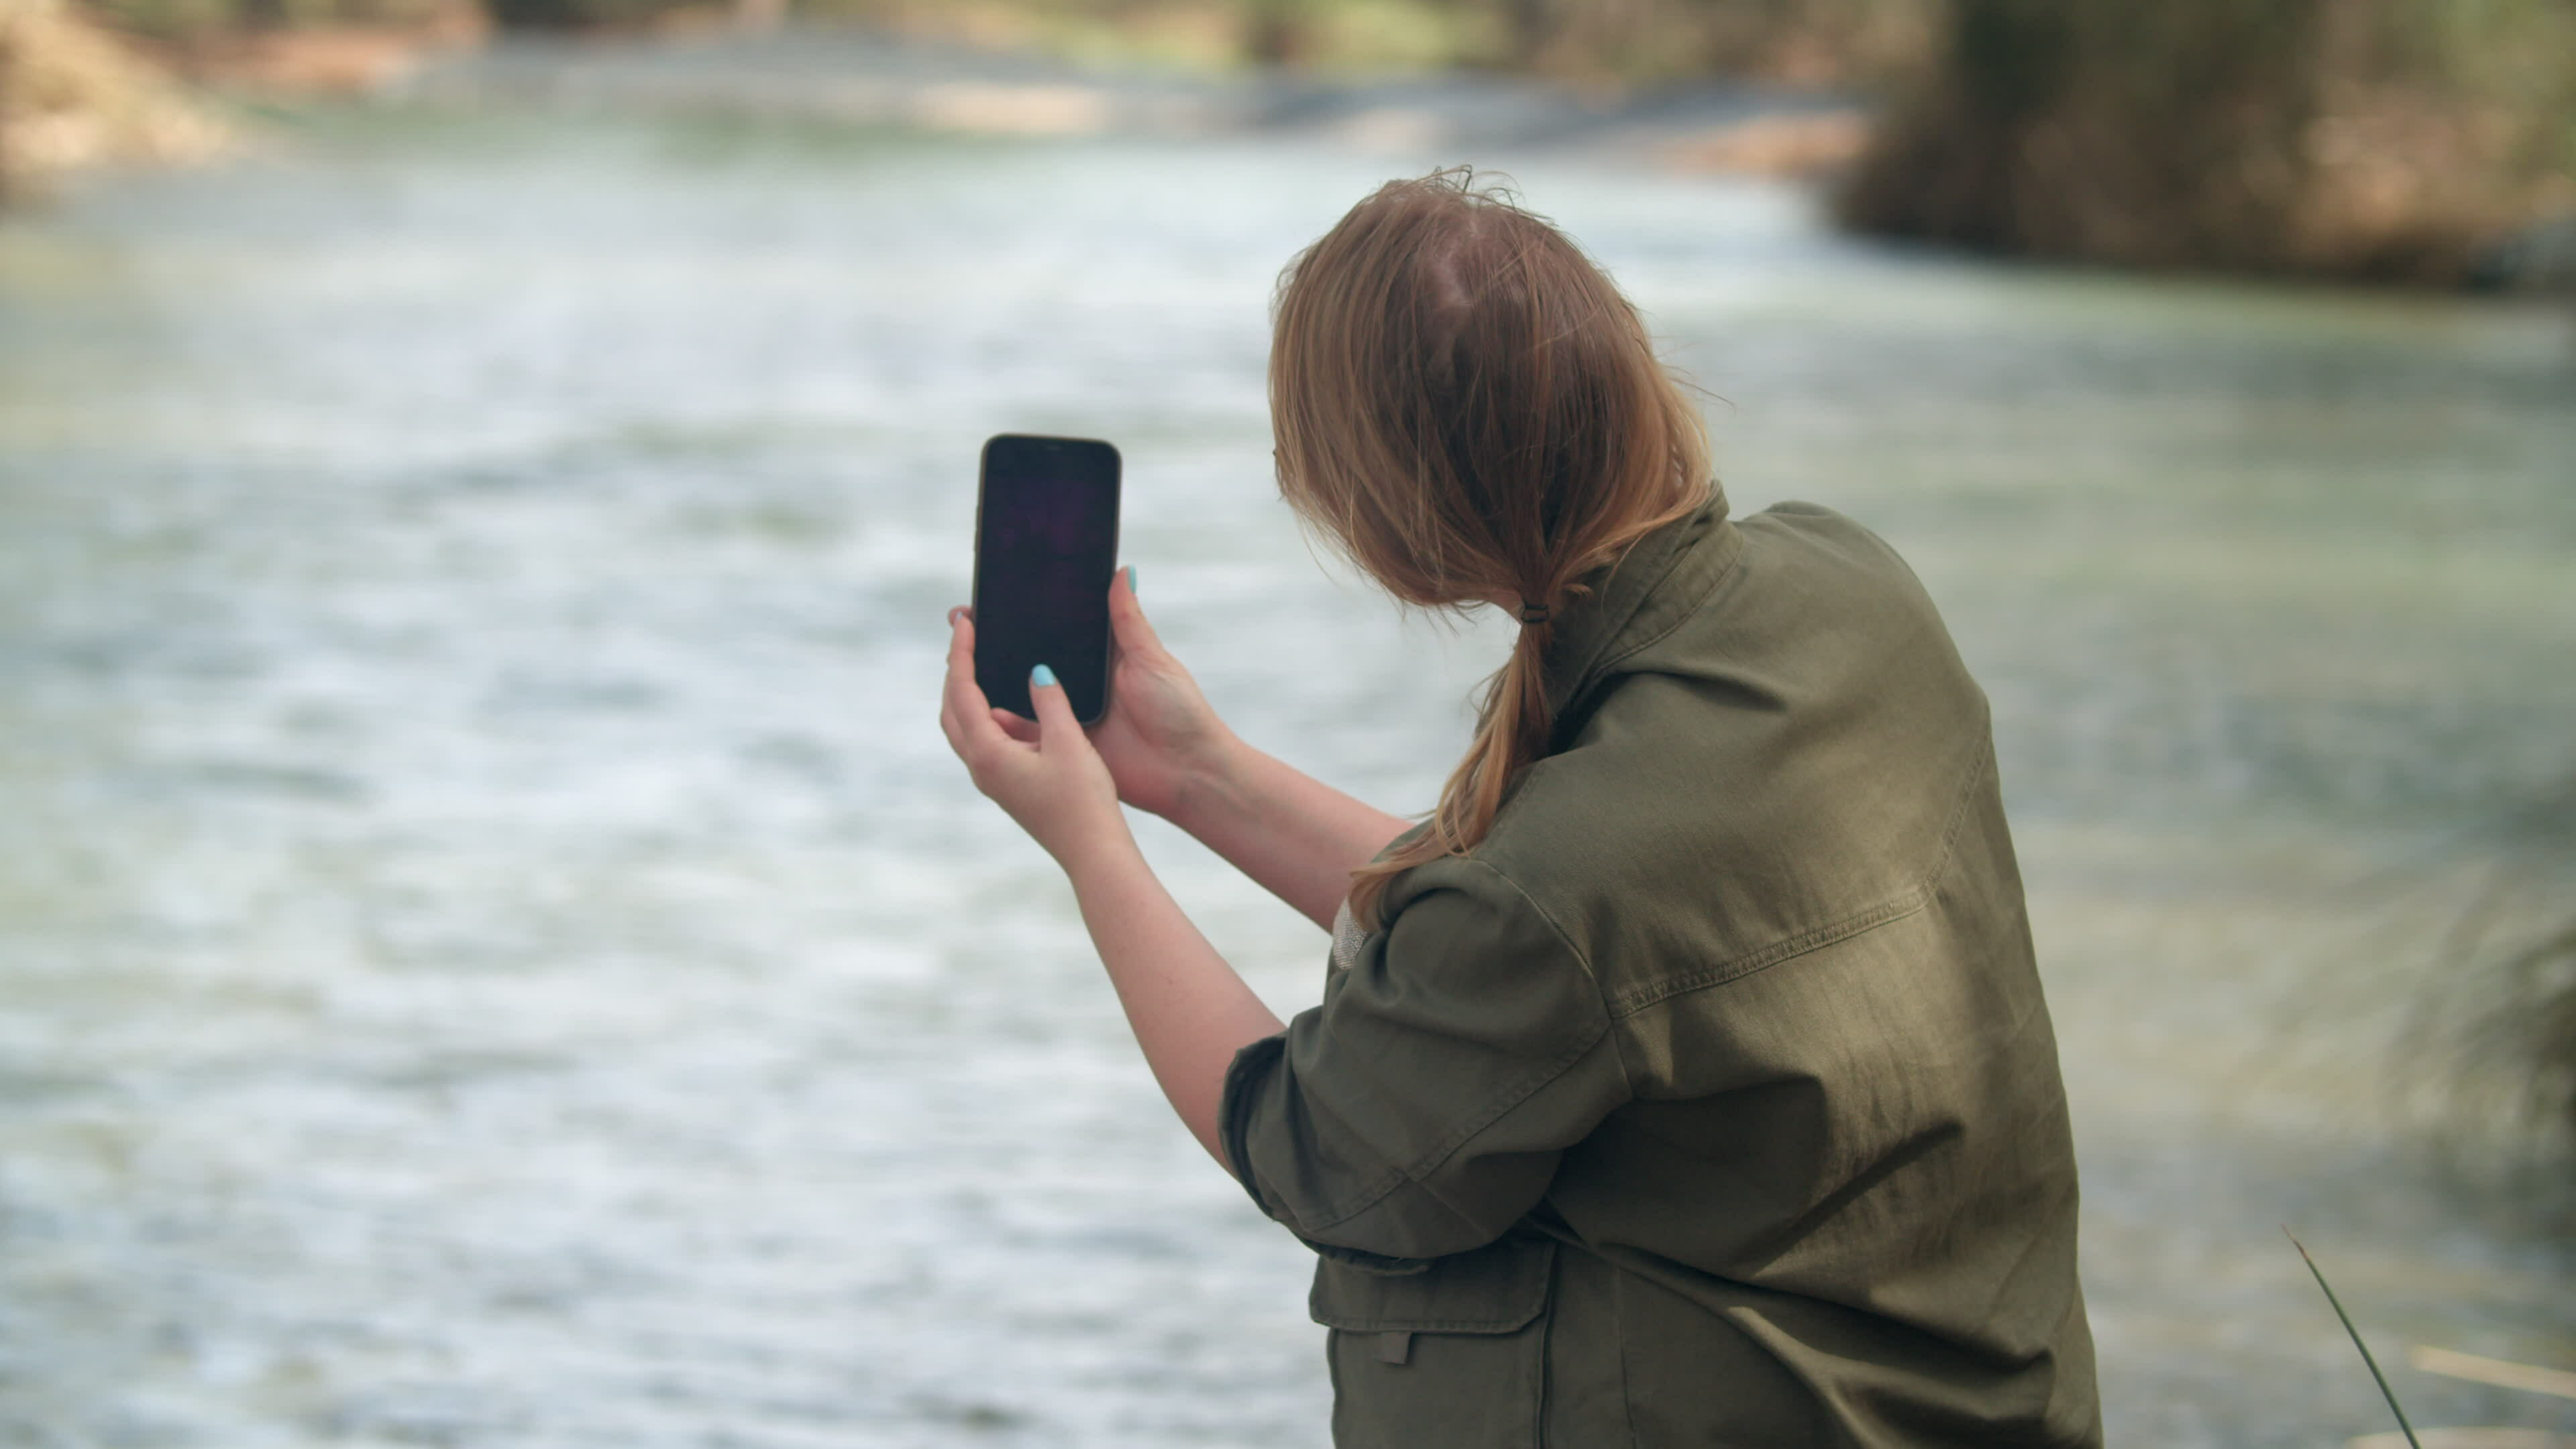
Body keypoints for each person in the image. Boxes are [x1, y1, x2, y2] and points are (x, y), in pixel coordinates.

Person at [936, 169, 2101, 1448]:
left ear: (1395, 520)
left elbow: (1317, 1145)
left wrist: (1088, 841)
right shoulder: (1848, 586)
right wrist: (1193, 774)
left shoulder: (1559, 889)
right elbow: (1552, 957)